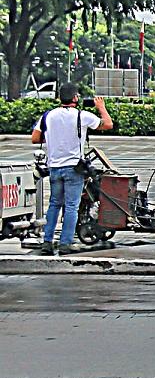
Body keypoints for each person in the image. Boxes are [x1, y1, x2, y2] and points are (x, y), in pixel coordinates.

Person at [29, 83, 113, 255]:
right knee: (71, 206)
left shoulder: (48, 115)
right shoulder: (82, 115)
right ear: (75, 98)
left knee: (54, 204)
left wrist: (55, 138)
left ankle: (47, 242)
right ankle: (65, 243)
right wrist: (101, 107)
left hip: (54, 168)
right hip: (74, 168)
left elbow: (35, 138)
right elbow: (108, 124)